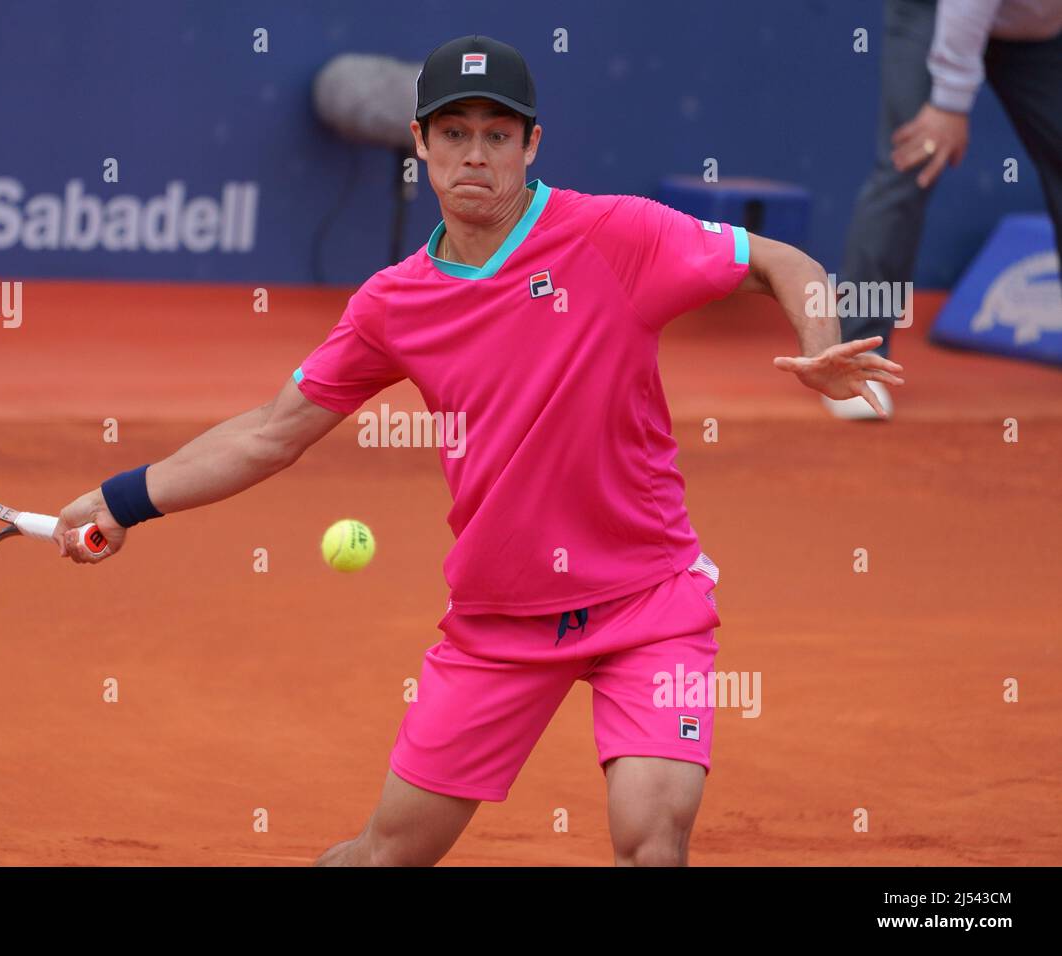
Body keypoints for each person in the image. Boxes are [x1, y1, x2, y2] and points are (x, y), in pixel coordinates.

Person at [52, 35, 903, 866]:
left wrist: (821, 344)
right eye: (453, 133)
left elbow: (779, 261)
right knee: (388, 853)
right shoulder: (394, 304)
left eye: (498, 135)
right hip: (500, 620)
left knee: (652, 840)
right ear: (418, 143)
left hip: (650, 602)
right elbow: (272, 431)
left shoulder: (612, 236)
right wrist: (125, 498)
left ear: (531, 145)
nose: (475, 154)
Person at [830, 0, 1062, 420]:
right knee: (913, 161)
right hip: (934, 10)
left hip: (1038, 31)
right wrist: (949, 102)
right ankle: (854, 363)